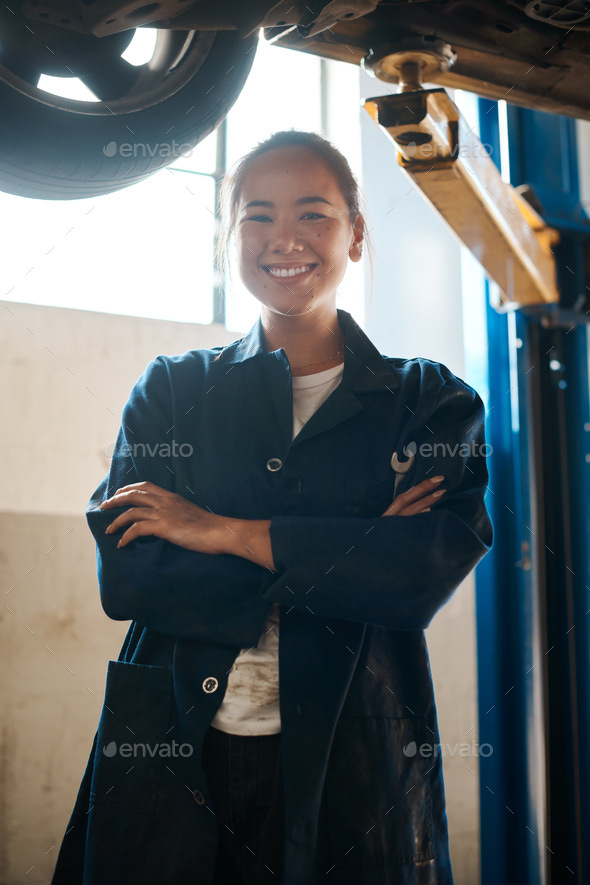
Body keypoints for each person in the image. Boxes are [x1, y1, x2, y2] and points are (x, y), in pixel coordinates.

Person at [51, 129, 493, 885]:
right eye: (258, 215)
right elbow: (130, 577)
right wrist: (346, 553)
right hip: (177, 743)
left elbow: (415, 578)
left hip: (350, 761)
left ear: (355, 233)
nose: (283, 238)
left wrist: (217, 531)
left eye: (313, 213)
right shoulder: (173, 390)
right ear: (231, 235)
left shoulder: (431, 402)